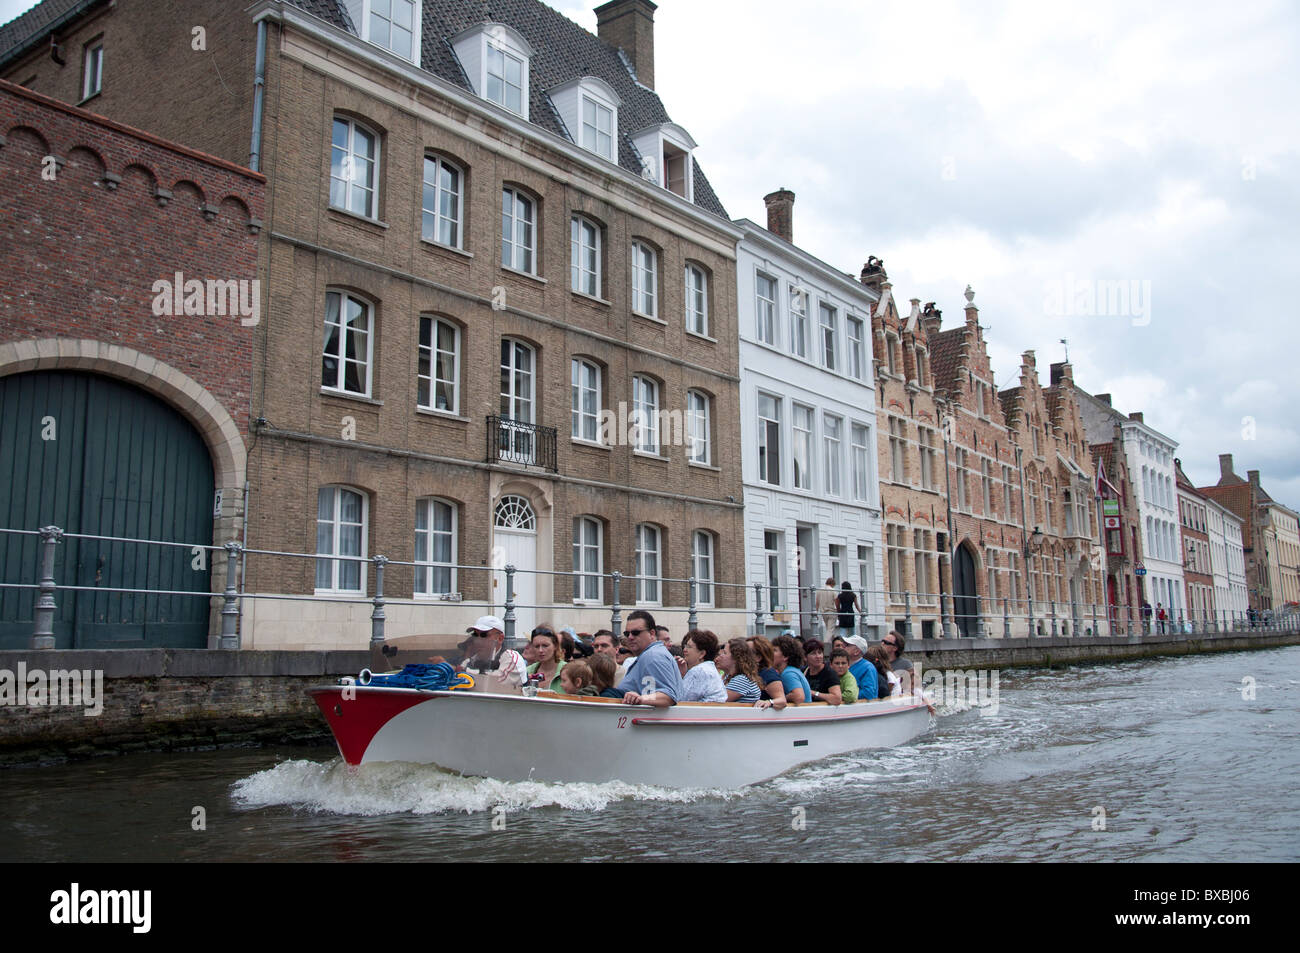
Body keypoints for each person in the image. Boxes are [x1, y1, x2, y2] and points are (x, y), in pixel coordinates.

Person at [617, 610, 682, 707]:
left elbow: (667, 696)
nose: (630, 637)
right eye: (627, 633)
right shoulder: (651, 654)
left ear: (652, 633)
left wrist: (640, 699)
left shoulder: (652, 656)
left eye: (635, 632)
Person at [463, 615, 528, 689]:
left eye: (484, 635)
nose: (477, 640)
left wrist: (465, 671)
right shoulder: (472, 658)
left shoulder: (512, 658)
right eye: (475, 635)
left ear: (500, 638)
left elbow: (496, 682)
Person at [680, 630, 728, 702]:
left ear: (702, 654)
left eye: (689, 647)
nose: (684, 650)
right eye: (685, 646)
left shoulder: (699, 671)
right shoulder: (708, 668)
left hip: (702, 712)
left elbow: (680, 699)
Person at [746, 636, 789, 710]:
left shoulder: (768, 673)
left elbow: (782, 700)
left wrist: (769, 702)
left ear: (758, 657)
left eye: (746, 652)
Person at [717, 638, 763, 704]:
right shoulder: (729, 677)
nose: (720, 656)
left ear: (736, 658)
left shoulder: (742, 680)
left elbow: (716, 700)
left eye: (724, 653)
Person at [772, 634, 811, 704]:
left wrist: (780, 698)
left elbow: (799, 697)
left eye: (774, 650)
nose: (770, 654)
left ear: (785, 656)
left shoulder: (788, 673)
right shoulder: (792, 670)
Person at [525, 626, 567, 692]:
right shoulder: (527, 671)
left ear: (555, 646)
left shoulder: (568, 670)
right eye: (537, 646)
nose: (540, 650)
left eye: (545, 645)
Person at [802, 639, 842, 705]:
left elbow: (837, 699)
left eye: (820, 653)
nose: (818, 656)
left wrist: (814, 693)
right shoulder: (803, 672)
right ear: (805, 657)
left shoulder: (829, 673)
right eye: (813, 653)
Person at [843, 635, 878, 701]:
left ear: (857, 651)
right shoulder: (843, 666)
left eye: (847, 645)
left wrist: (846, 695)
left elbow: (869, 693)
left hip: (862, 708)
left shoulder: (868, 667)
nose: (843, 647)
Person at [880, 630, 914, 695]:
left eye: (886, 642)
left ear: (895, 648)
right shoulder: (877, 663)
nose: (882, 644)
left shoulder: (906, 665)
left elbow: (912, 686)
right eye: (882, 641)